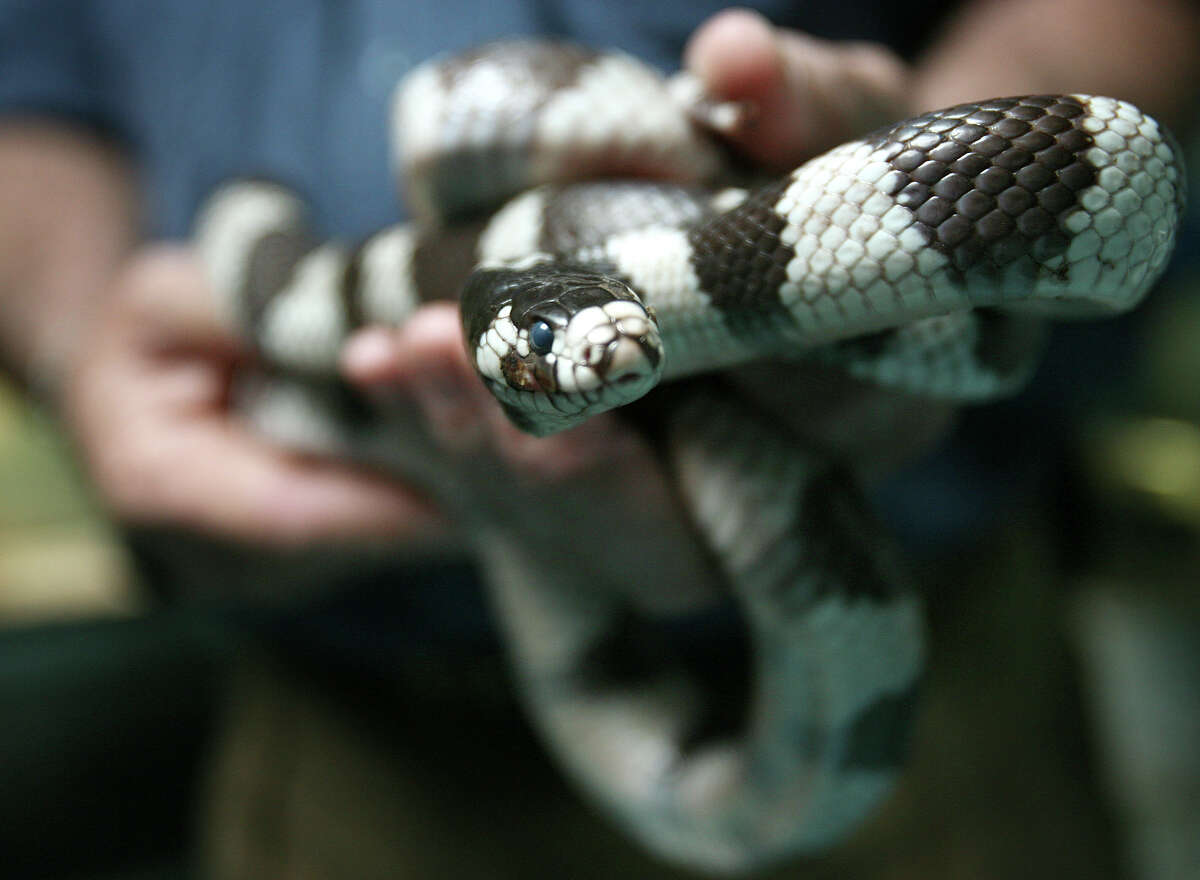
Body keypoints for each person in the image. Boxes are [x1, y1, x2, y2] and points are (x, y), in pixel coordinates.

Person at [0, 1, 1196, 877]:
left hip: (949, 656)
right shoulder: (575, 304)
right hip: (352, 729)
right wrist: (79, 343)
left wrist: (887, 224)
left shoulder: (643, 287)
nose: (597, 377)